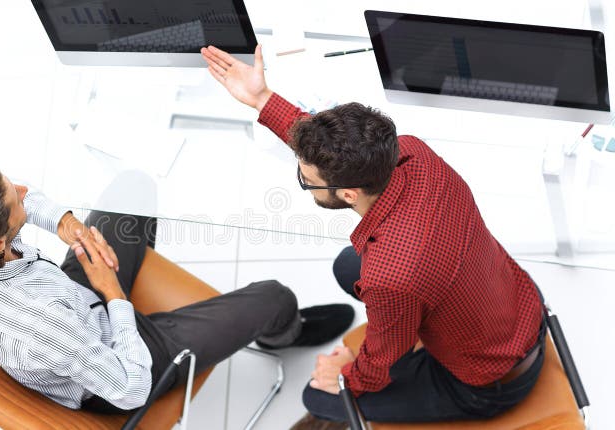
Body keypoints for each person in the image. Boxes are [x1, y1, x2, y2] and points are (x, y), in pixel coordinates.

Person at [200, 45, 546, 428]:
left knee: (318, 397)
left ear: (349, 194)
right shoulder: (413, 153)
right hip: (518, 304)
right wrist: (263, 99)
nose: (305, 181)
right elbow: (332, 151)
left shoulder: (391, 275)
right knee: (349, 265)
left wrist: (347, 375)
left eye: (307, 181)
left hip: (489, 381)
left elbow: (382, 361)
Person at [0, 161, 354, 413]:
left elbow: (28, 198)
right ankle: (285, 332)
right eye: (15, 201)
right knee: (275, 297)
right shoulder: (48, 329)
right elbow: (132, 390)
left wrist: (64, 222)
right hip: (122, 363)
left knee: (133, 188)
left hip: (74, 308)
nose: (25, 191)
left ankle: (127, 278)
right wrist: (114, 293)